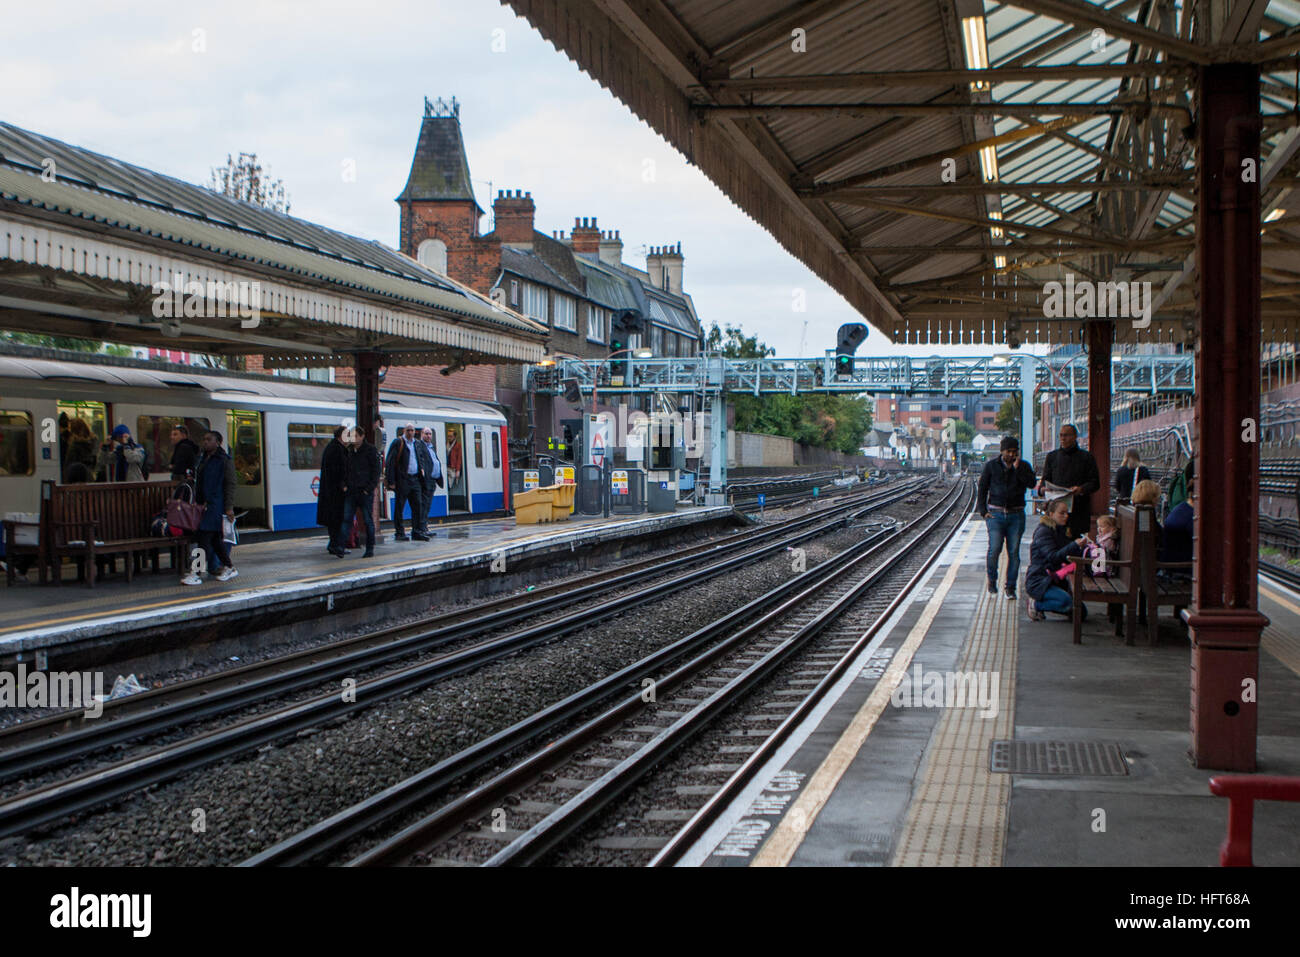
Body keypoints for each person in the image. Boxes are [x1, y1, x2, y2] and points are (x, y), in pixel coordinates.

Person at [975, 435, 1036, 600]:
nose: (1011, 455)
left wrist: (1017, 470)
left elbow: (1031, 484)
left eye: (1014, 451)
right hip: (995, 514)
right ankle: (992, 581)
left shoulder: (1023, 466)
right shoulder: (991, 466)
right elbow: (982, 488)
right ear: (1002, 451)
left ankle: (1010, 587)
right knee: (994, 550)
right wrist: (983, 510)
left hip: (1016, 514)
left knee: (1014, 552)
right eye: (1008, 451)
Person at [183, 431, 237, 585]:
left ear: (218, 442)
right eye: (204, 439)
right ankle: (229, 566)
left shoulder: (224, 460)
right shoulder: (203, 459)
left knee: (204, 537)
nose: (205, 442)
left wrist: (229, 507)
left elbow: (230, 484)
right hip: (205, 505)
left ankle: (196, 572)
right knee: (214, 540)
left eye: (209, 439)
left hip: (216, 505)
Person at [1025, 497, 1088, 621]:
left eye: (1067, 513)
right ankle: (1036, 605)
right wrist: (1074, 545)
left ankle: (1046, 601)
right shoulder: (1043, 531)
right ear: (1051, 514)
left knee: (1080, 612)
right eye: (1061, 513)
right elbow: (1053, 557)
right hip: (1040, 579)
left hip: (1056, 580)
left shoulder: (1062, 530)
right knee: (1067, 603)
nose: (1065, 516)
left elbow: (1067, 554)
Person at [1039, 424, 1100, 539]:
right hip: (1056, 509)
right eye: (1061, 435)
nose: (1063, 438)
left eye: (1066, 435)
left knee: (1075, 544)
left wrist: (1081, 489)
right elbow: (1045, 480)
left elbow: (1095, 483)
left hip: (1078, 510)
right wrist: (1042, 489)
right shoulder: (1052, 457)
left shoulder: (1086, 457)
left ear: (1075, 436)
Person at [385, 423, 431, 541]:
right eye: (408, 430)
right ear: (404, 431)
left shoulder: (417, 444)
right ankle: (399, 532)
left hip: (415, 479)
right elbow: (390, 462)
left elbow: (420, 458)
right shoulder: (398, 442)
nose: (410, 433)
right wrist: (391, 480)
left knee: (417, 506)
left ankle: (416, 531)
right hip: (402, 480)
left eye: (412, 430)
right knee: (399, 507)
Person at [339, 426, 381, 558]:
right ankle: (340, 546)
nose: (354, 439)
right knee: (346, 519)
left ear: (362, 436)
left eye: (356, 436)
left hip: (364, 492)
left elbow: (376, 472)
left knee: (368, 520)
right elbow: (344, 470)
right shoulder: (349, 451)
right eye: (352, 436)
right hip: (351, 491)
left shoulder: (370, 450)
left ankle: (370, 548)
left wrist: (368, 489)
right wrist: (344, 485)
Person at [318, 425, 348, 557]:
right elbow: (339, 470)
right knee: (337, 519)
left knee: (334, 520)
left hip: (331, 491)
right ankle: (336, 545)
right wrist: (344, 485)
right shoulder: (337, 450)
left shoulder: (332, 447)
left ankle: (334, 544)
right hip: (336, 492)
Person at [420, 427, 445, 525]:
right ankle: (422, 526)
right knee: (424, 504)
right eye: (426, 433)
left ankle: (424, 525)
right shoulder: (420, 446)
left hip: (433, 480)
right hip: (426, 480)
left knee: (428, 504)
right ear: (422, 434)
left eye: (430, 434)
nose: (428, 436)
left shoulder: (431, 447)